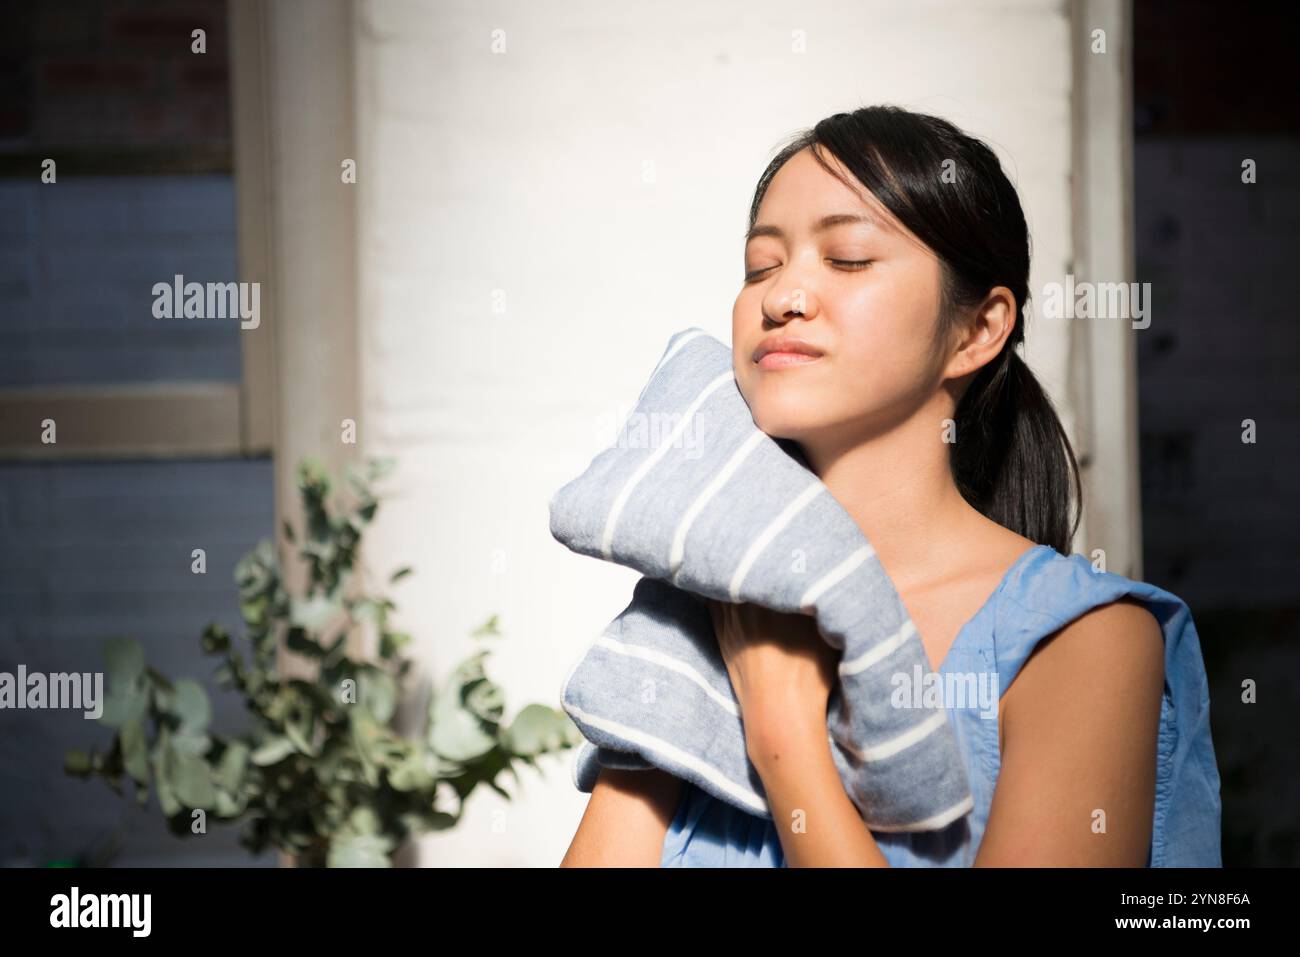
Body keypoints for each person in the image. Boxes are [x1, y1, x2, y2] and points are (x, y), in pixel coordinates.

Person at [560, 106, 1222, 867]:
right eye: (761, 267)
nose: (782, 298)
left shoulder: (1083, 641)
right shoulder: (696, 607)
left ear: (977, 330)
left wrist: (782, 731)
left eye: (845, 258)